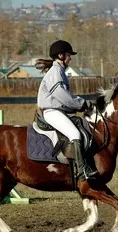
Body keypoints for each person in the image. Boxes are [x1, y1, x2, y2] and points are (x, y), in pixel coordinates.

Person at [35, 40, 97, 180]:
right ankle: (82, 170)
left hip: (57, 111)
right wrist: (82, 104)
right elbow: (62, 96)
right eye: (69, 55)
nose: (71, 58)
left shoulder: (59, 70)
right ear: (61, 55)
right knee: (75, 133)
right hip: (52, 112)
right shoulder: (56, 71)